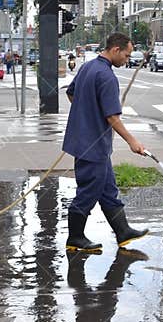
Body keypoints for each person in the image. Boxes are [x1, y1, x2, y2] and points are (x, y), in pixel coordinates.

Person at [63, 32, 148, 253]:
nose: (127, 60)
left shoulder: (88, 67)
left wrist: (86, 111)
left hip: (84, 141)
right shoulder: (107, 77)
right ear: (115, 50)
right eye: (127, 56)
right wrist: (133, 142)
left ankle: (123, 231)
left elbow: (71, 94)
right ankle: (75, 238)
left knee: (108, 189)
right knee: (88, 191)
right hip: (93, 146)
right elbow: (112, 117)